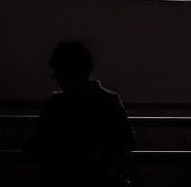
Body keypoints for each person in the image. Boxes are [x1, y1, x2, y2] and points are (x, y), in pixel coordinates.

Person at [26, 41, 135, 187]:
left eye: (60, 73)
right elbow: (127, 141)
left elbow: (40, 141)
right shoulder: (107, 101)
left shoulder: (54, 103)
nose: (57, 78)